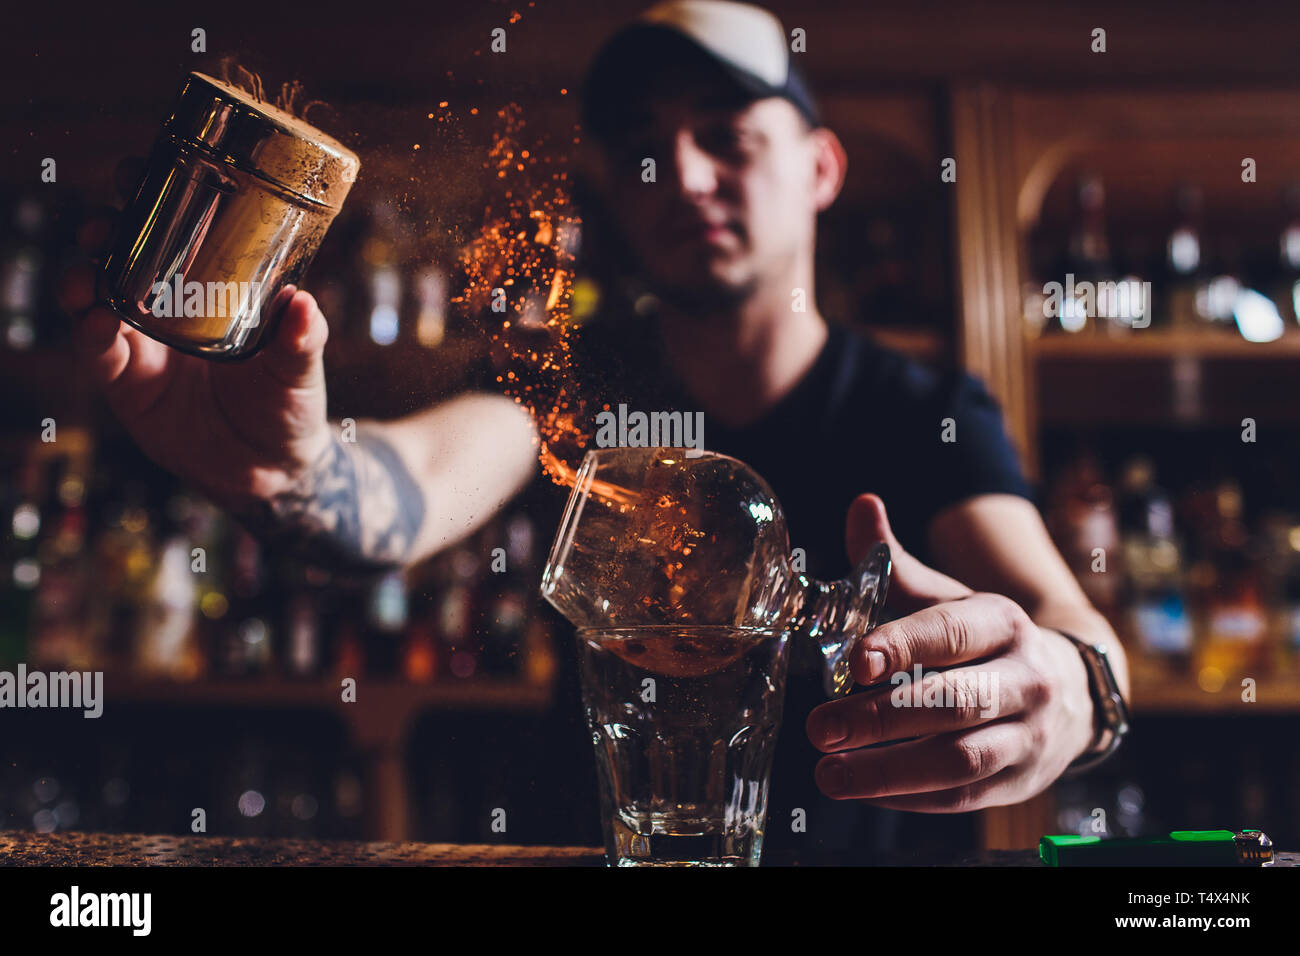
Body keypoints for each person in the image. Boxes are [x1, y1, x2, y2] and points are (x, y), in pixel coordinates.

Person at [59, 0, 1129, 862]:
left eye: (727, 135)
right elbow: (400, 487)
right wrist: (285, 470)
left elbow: (1066, 621)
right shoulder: (574, 390)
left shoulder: (920, 410)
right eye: (644, 151)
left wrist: (1071, 696)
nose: (688, 175)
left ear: (818, 168)